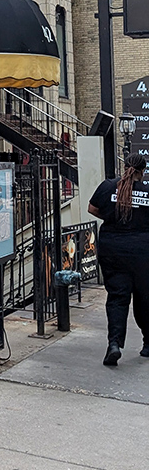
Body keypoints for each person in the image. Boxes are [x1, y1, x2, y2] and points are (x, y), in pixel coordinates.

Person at [88, 153, 149, 366]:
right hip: (142, 252)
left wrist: (113, 218)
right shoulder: (147, 191)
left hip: (112, 250)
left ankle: (114, 344)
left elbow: (92, 208)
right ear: (142, 170)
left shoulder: (108, 186)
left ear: (125, 167)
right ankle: (148, 343)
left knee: (117, 298)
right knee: (144, 297)